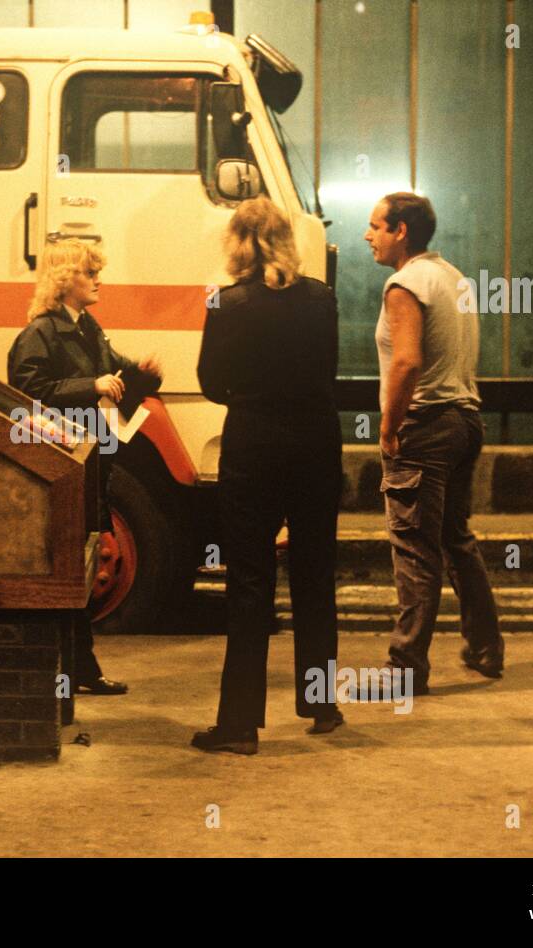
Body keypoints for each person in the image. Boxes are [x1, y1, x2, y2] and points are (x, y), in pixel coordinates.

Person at [191, 197, 343, 755]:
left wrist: (247, 395)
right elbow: (325, 372)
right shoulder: (322, 299)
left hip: (253, 444)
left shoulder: (225, 302)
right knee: (314, 574)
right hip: (315, 443)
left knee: (250, 582)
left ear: (237, 243)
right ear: (287, 240)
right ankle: (322, 704)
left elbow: (210, 381)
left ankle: (239, 726)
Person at [7, 238, 162, 696]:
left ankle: (79, 668)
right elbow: (26, 392)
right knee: (71, 567)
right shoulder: (40, 333)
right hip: (64, 468)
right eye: (89, 272)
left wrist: (144, 374)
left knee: (80, 565)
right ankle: (75, 669)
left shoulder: (86, 326)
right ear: (63, 280)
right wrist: (89, 385)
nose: (98, 279)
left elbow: (116, 371)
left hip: (90, 466)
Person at [364, 192, 504, 692]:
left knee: (414, 547)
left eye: (376, 226)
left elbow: (406, 361)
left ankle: (406, 669)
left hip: (424, 425)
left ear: (401, 231)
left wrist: (388, 426)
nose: (368, 235)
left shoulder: (405, 284)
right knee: (454, 540)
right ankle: (486, 648)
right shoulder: (454, 277)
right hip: (466, 420)